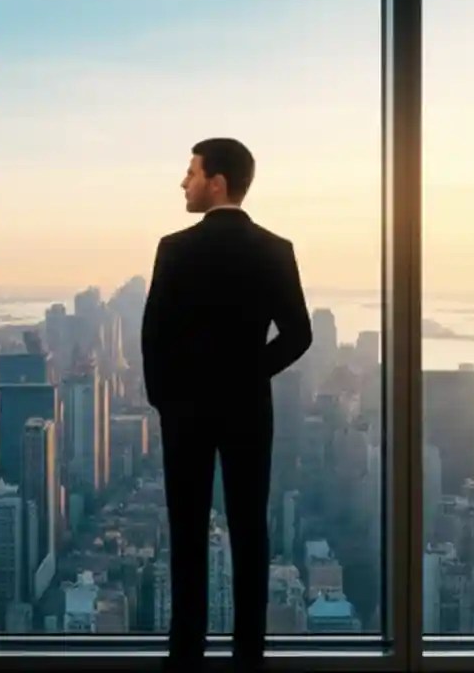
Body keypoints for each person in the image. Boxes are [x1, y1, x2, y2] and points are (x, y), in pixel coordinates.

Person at [141, 137, 312, 671]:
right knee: (250, 528)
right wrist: (247, 374)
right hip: (247, 409)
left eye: (191, 173)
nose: (184, 182)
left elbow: (153, 336)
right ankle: (248, 655)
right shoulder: (275, 248)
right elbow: (299, 334)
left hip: (185, 411)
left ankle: (185, 654)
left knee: (187, 530)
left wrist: (166, 400)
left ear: (216, 183)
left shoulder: (175, 248)